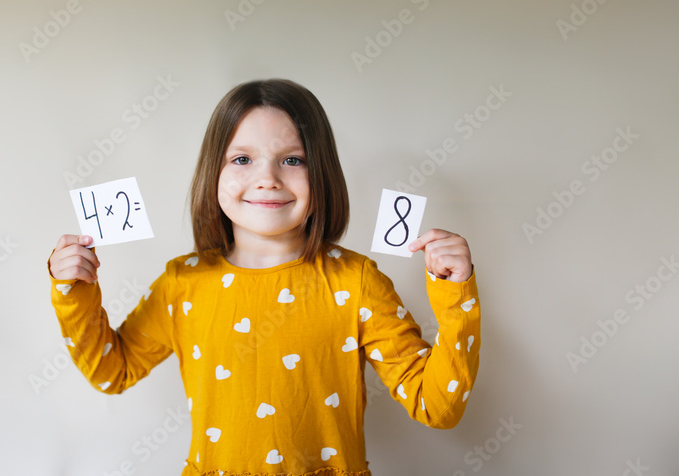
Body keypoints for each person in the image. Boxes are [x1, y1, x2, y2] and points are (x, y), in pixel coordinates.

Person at [47, 79, 480, 475]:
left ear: (322, 173)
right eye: (242, 159)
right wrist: (74, 291)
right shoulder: (183, 283)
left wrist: (455, 295)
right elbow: (111, 372)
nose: (267, 179)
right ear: (213, 173)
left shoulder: (357, 281)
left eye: (292, 160)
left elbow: (437, 407)